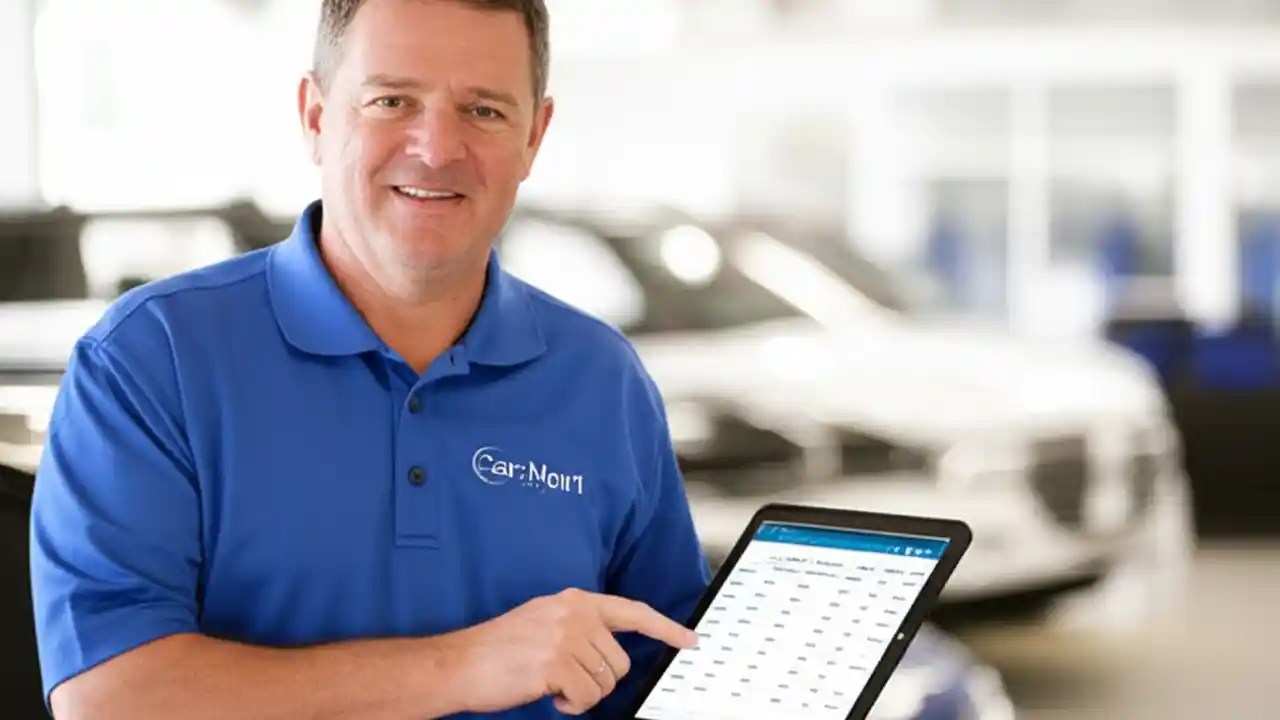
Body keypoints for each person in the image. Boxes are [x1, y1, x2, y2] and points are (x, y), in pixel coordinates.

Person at [29, 1, 710, 717]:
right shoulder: (151, 359)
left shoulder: (602, 379)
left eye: (483, 111)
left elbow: (672, 672)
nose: (437, 147)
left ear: (535, 136)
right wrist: (465, 664)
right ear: (316, 116)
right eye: (392, 100)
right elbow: (111, 698)